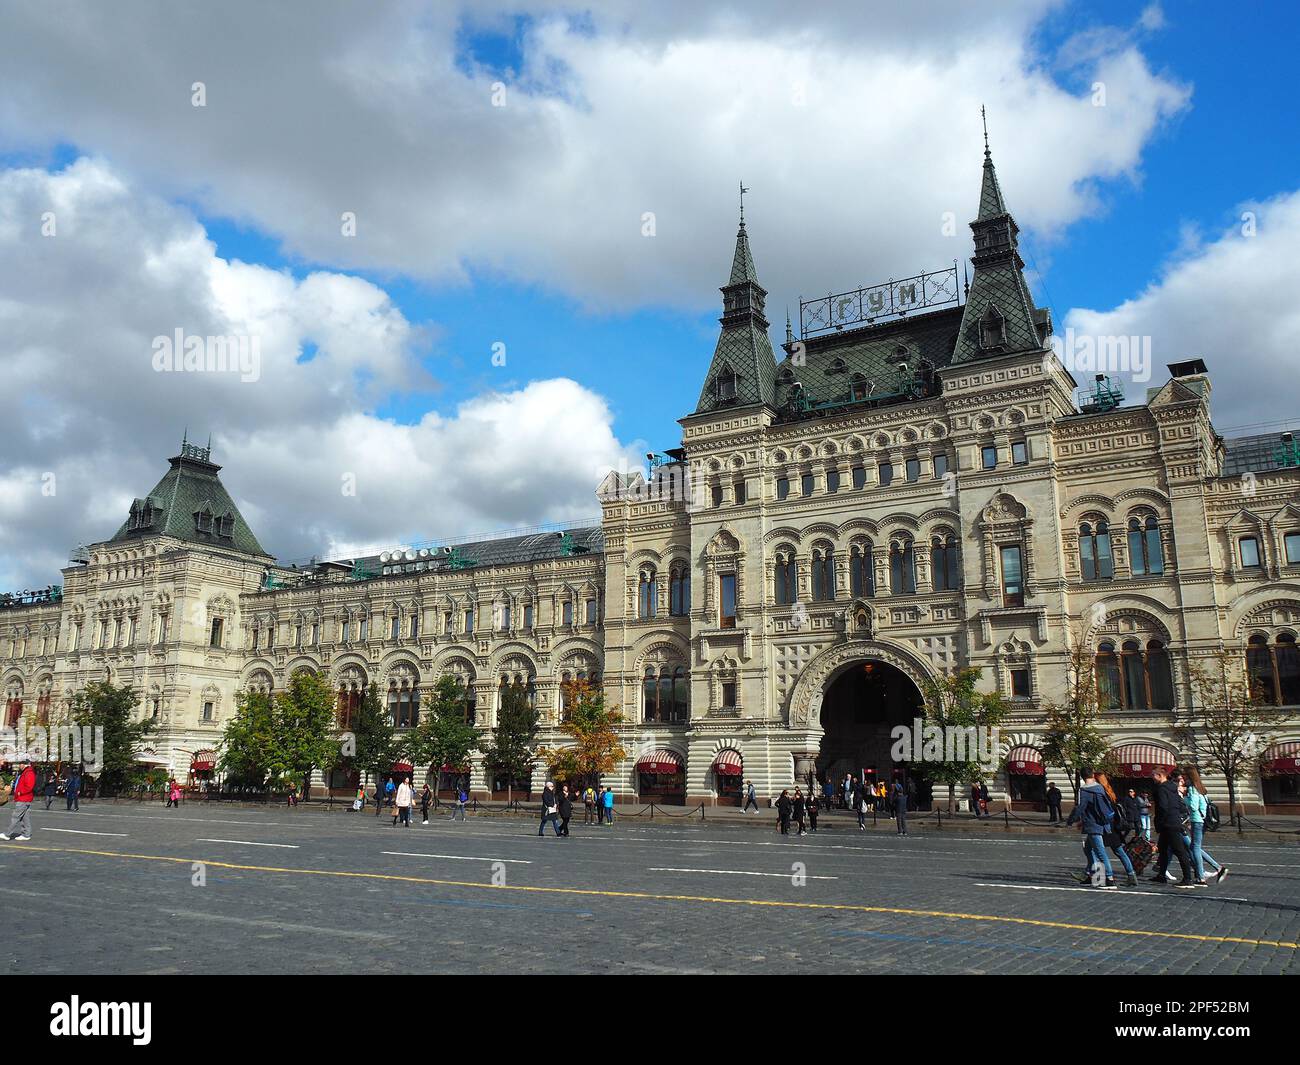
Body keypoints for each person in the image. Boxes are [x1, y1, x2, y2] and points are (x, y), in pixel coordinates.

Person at [1065, 768, 1119, 888]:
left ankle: (1109, 878)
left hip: (1093, 824)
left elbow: (1079, 807)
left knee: (1100, 851)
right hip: (1103, 822)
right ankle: (1092, 875)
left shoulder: (1085, 790)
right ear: (1093, 775)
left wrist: (1070, 821)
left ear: (1082, 777)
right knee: (1088, 849)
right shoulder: (1100, 788)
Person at [1149, 767, 1196, 887]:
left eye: (1153, 775)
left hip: (1168, 823)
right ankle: (1161, 875)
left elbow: (1163, 807)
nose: (1152, 777)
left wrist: (1159, 822)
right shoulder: (1172, 787)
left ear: (1160, 775)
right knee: (1163, 850)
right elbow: (1179, 804)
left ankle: (1187, 879)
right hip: (1173, 821)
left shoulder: (1161, 789)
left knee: (1180, 851)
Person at [1182, 769, 1228, 884]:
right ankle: (1215, 869)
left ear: (1189, 777)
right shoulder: (1201, 788)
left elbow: (1193, 805)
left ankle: (1202, 876)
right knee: (1194, 847)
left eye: (1185, 776)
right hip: (1202, 820)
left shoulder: (1193, 789)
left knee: (1195, 848)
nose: (1184, 779)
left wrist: (1183, 798)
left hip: (1197, 820)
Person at [1096, 772, 1139, 887]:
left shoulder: (1100, 793)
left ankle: (1102, 877)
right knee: (1119, 851)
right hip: (1114, 827)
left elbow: (1104, 812)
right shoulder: (1110, 792)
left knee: (1097, 851)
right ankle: (1131, 875)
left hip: (1106, 826)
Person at [2, 758, 37, 841]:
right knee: (25, 818)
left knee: (15, 817)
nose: (19, 766)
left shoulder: (28, 773)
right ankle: (26, 834)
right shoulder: (25, 772)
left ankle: (7, 834)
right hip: (23, 798)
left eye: (20, 764)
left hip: (23, 798)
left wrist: (20, 792)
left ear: (24, 765)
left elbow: (29, 786)